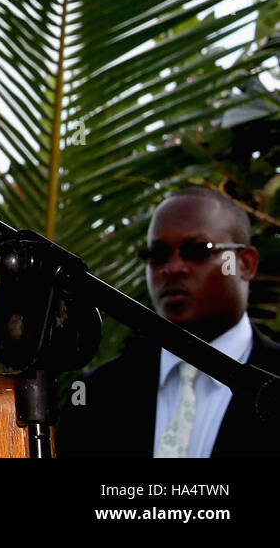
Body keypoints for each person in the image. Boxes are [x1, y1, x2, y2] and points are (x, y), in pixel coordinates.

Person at [55, 186, 280, 457]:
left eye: (196, 251)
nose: (172, 268)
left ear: (245, 263)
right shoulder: (98, 392)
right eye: (157, 255)